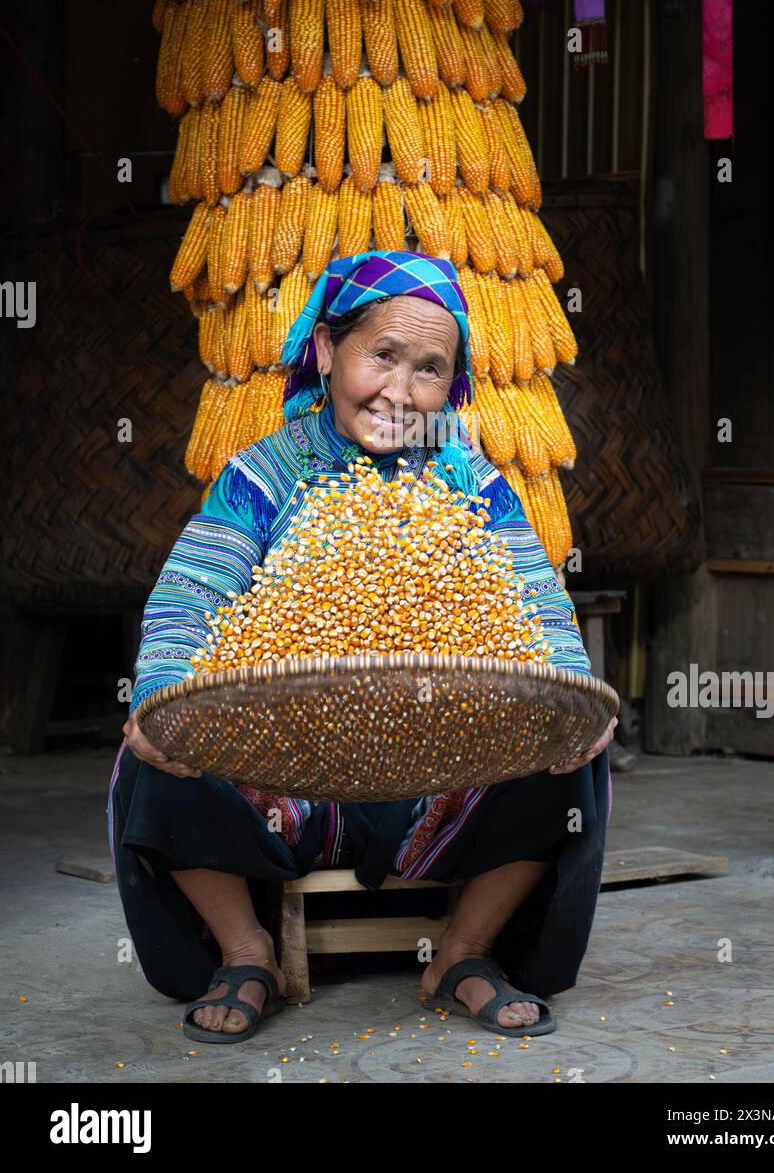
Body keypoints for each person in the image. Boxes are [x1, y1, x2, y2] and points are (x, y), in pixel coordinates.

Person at [108, 249, 615, 1044]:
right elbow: (188, 598)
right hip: (286, 774)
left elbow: (540, 604)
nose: (400, 392)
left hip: (439, 775)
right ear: (324, 349)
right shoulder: (267, 473)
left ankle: (463, 952)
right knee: (160, 745)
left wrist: (571, 687)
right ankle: (247, 953)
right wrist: (159, 690)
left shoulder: (470, 480)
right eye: (381, 355)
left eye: (429, 369)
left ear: (453, 383)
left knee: (570, 747)